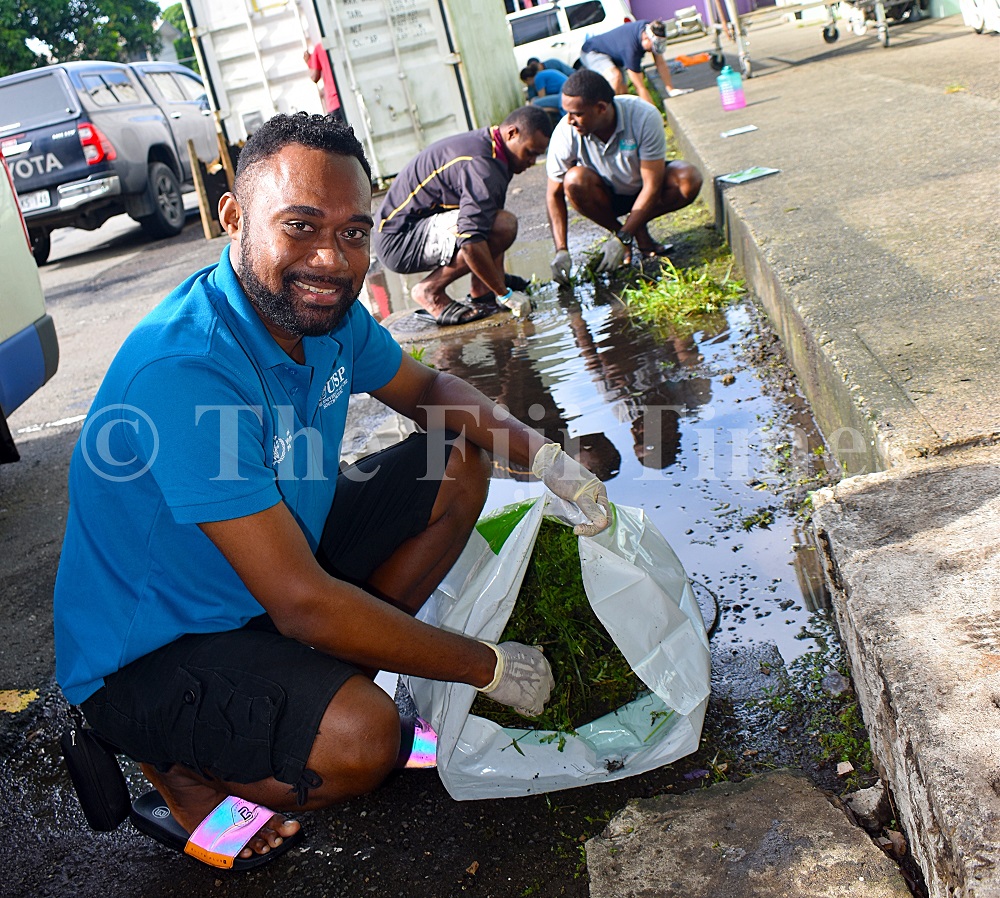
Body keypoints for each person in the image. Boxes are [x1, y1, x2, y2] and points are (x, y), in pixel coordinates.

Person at [52, 112, 611, 870]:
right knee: (365, 742)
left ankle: (311, 684)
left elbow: (430, 387)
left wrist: (544, 456)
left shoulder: (324, 316)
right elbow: (302, 602)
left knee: (459, 461)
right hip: (153, 649)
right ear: (233, 217)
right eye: (300, 226)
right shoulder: (187, 370)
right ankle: (179, 770)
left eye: (353, 232)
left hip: (273, 574)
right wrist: (486, 665)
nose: (332, 259)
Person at [372, 106, 551, 327]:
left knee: (493, 220)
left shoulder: (494, 150)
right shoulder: (483, 163)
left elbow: (486, 217)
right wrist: (504, 294)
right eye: (530, 152)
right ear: (512, 133)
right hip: (398, 240)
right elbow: (470, 240)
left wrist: (494, 283)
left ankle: (481, 289)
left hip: (414, 229)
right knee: (503, 225)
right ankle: (430, 291)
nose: (532, 161)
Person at [546, 69, 703, 283]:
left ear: (601, 108)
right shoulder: (566, 132)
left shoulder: (643, 116)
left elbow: (652, 184)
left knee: (689, 178)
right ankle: (627, 234)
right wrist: (561, 250)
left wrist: (624, 235)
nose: (570, 120)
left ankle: (631, 233)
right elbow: (553, 194)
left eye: (577, 114)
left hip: (646, 190)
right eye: (567, 112)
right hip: (605, 196)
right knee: (574, 180)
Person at [579, 19, 692, 105]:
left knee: (623, 92)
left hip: (614, 55)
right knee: (615, 77)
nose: (652, 50)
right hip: (592, 51)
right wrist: (654, 117)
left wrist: (670, 89)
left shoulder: (651, 28)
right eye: (652, 46)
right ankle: (604, 112)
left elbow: (661, 63)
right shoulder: (631, 49)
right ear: (645, 38)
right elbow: (639, 87)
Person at [304, 44, 344, 122]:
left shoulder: (319, 48)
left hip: (334, 102)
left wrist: (308, 62)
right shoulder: (342, 43)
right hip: (348, 96)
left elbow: (315, 77)